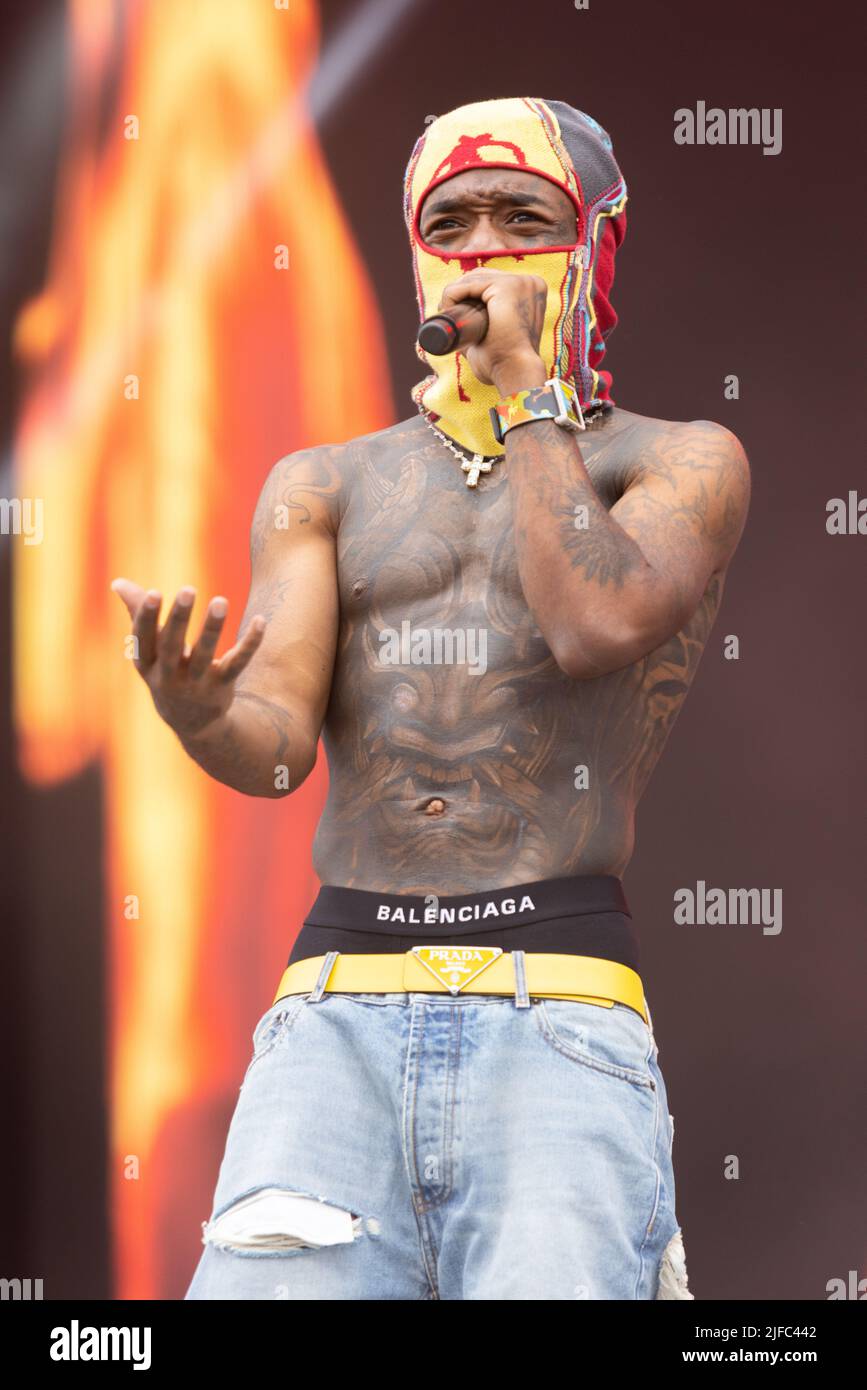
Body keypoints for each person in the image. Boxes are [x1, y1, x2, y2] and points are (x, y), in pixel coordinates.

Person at [112, 97, 750, 1300]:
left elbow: (593, 620)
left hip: (554, 1008)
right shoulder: (326, 481)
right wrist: (199, 710)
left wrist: (528, 402)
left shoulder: (678, 460)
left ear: (595, 242)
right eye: (451, 222)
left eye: (525, 218)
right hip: (334, 1014)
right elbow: (276, 747)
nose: (484, 251)